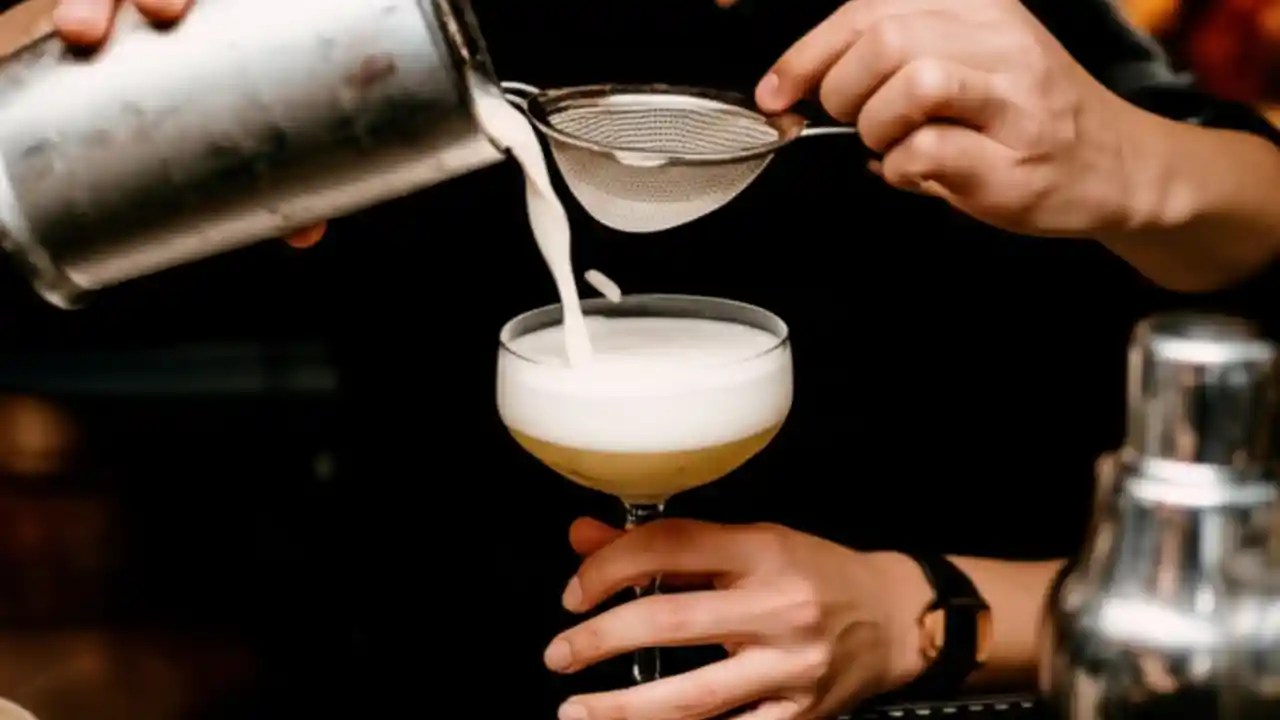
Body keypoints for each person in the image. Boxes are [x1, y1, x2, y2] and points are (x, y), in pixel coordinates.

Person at [46, 1, 1280, 720]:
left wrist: (928, 616)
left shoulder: (975, 21)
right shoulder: (378, 29)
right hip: (418, 651)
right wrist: (67, 46)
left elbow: (1240, 209)